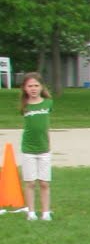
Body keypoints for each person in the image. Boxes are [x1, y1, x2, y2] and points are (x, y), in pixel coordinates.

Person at [19, 73, 53, 222]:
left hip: (44, 149)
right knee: (30, 182)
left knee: (44, 183)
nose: (33, 89)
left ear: (41, 87)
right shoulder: (24, 105)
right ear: (25, 88)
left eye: (36, 85)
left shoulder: (48, 103)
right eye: (30, 86)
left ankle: (46, 212)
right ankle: (31, 212)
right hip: (28, 149)